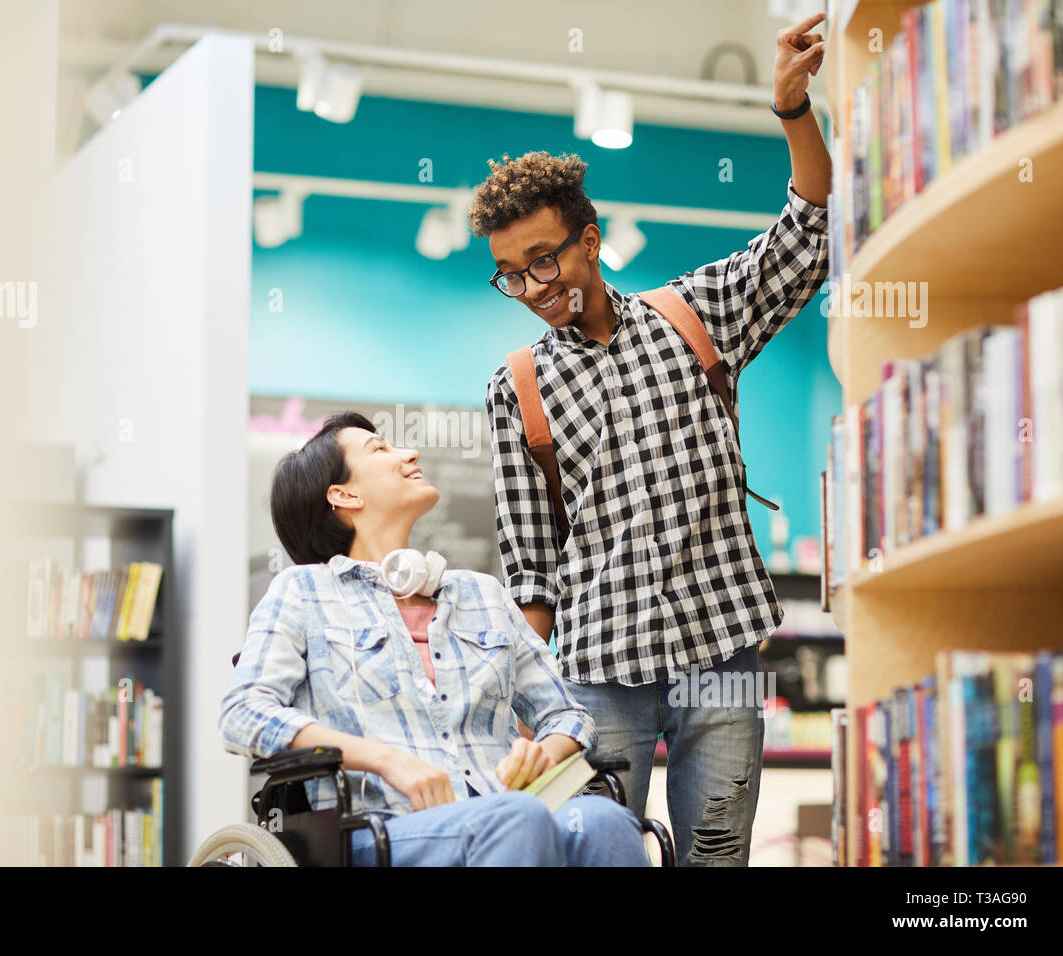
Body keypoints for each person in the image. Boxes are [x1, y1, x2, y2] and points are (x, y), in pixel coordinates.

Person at [471, 14, 832, 865]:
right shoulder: (515, 386)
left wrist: (790, 109)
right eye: (509, 273)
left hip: (723, 650)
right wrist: (523, 707)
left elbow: (807, 231)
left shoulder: (692, 315)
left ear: (589, 242)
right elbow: (532, 566)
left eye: (543, 261)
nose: (530, 287)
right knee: (604, 855)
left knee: (716, 857)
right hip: (600, 672)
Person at [219, 411, 649, 866]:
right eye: (380, 449)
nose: (410, 453)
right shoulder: (303, 592)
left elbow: (568, 716)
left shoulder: (481, 594)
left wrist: (541, 756)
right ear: (343, 494)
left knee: (602, 819)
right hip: (375, 829)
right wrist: (385, 760)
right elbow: (242, 714)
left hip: (507, 810)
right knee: (516, 818)